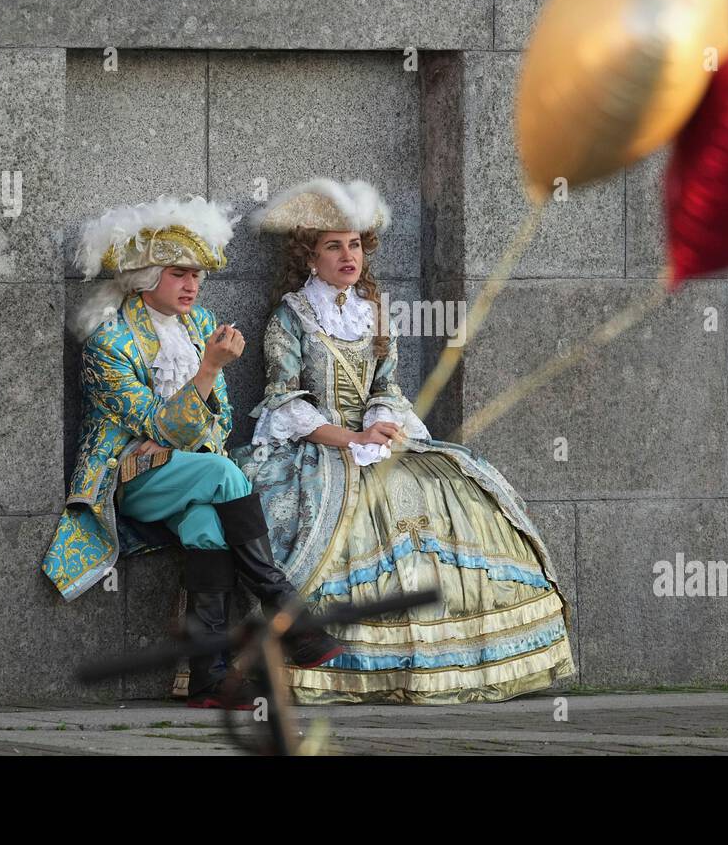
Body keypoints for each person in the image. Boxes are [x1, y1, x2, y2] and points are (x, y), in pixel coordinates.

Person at [233, 177, 576, 703]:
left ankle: (453, 663)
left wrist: (383, 424)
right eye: (333, 246)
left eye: (354, 244)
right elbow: (284, 401)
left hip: (373, 437)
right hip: (319, 446)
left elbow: (387, 385)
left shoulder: (373, 311)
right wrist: (351, 437)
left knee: (447, 489)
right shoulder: (290, 317)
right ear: (310, 256)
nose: (348, 256)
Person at [41, 194, 341, 709]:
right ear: (144, 276)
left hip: (192, 473)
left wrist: (194, 407)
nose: (193, 285)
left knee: (208, 529)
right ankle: (290, 614)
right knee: (224, 474)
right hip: (126, 480)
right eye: (180, 273)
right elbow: (159, 425)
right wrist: (206, 373)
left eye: (198, 275)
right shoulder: (110, 341)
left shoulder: (202, 326)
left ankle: (208, 679)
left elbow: (220, 417)